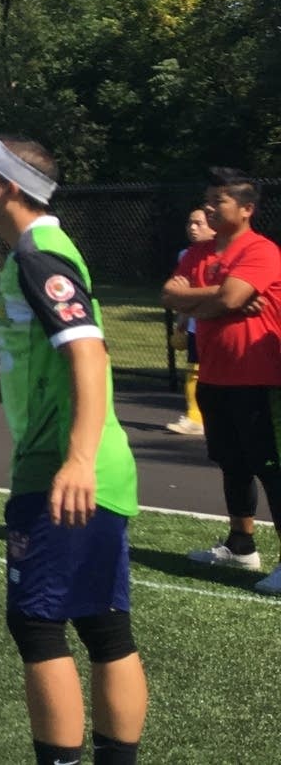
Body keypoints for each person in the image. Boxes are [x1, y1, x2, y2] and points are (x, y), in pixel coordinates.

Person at [0, 138, 145, 765]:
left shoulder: (38, 255)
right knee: (103, 625)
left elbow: (88, 353)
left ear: (7, 186)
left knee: (38, 624)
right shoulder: (34, 255)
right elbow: (52, 361)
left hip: (64, 468)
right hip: (86, 465)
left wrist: (77, 459)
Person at [160, 167, 281, 592]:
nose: (209, 207)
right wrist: (220, 298)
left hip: (259, 379)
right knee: (232, 464)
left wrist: (205, 299)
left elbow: (229, 297)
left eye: (219, 201)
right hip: (214, 377)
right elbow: (170, 295)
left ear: (246, 209)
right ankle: (241, 545)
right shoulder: (199, 253)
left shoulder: (261, 250)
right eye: (207, 199)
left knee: (271, 469)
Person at [164, 206, 214, 436]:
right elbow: (175, 292)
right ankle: (195, 417)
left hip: (216, 324)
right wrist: (182, 320)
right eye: (189, 223)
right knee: (194, 368)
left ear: (213, 227)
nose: (192, 228)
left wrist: (191, 297)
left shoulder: (226, 255)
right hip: (196, 324)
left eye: (199, 223)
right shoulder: (186, 255)